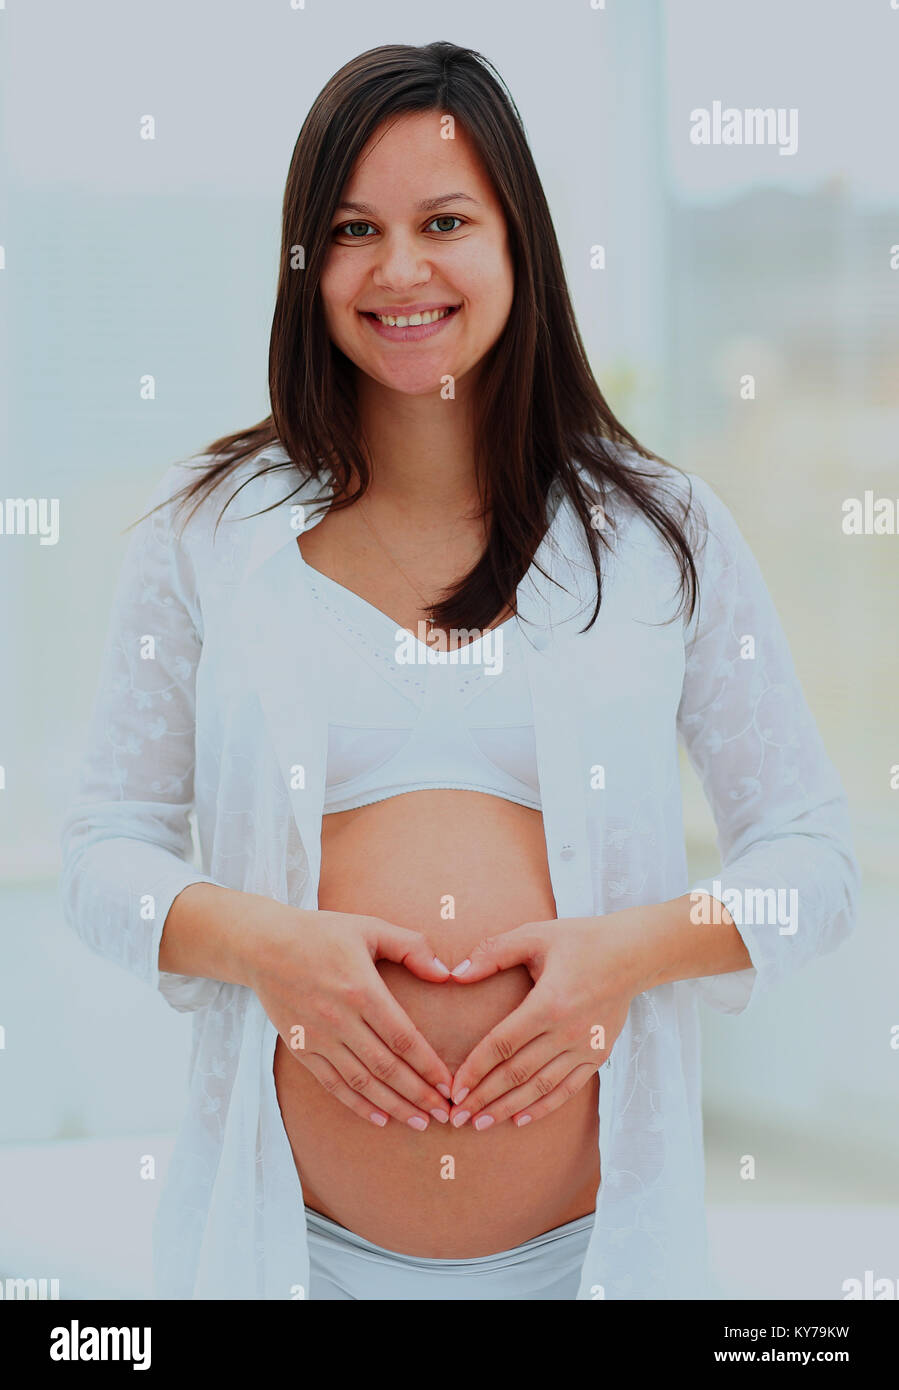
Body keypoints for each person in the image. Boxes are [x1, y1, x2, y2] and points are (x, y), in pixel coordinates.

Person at [59, 41, 859, 1300]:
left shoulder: (661, 535)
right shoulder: (203, 529)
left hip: (593, 1265)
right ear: (304, 264)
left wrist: (631, 952)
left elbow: (814, 865)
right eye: (351, 230)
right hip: (284, 1260)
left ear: (515, 245)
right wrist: (266, 946)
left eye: (444, 222)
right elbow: (105, 848)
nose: (399, 270)